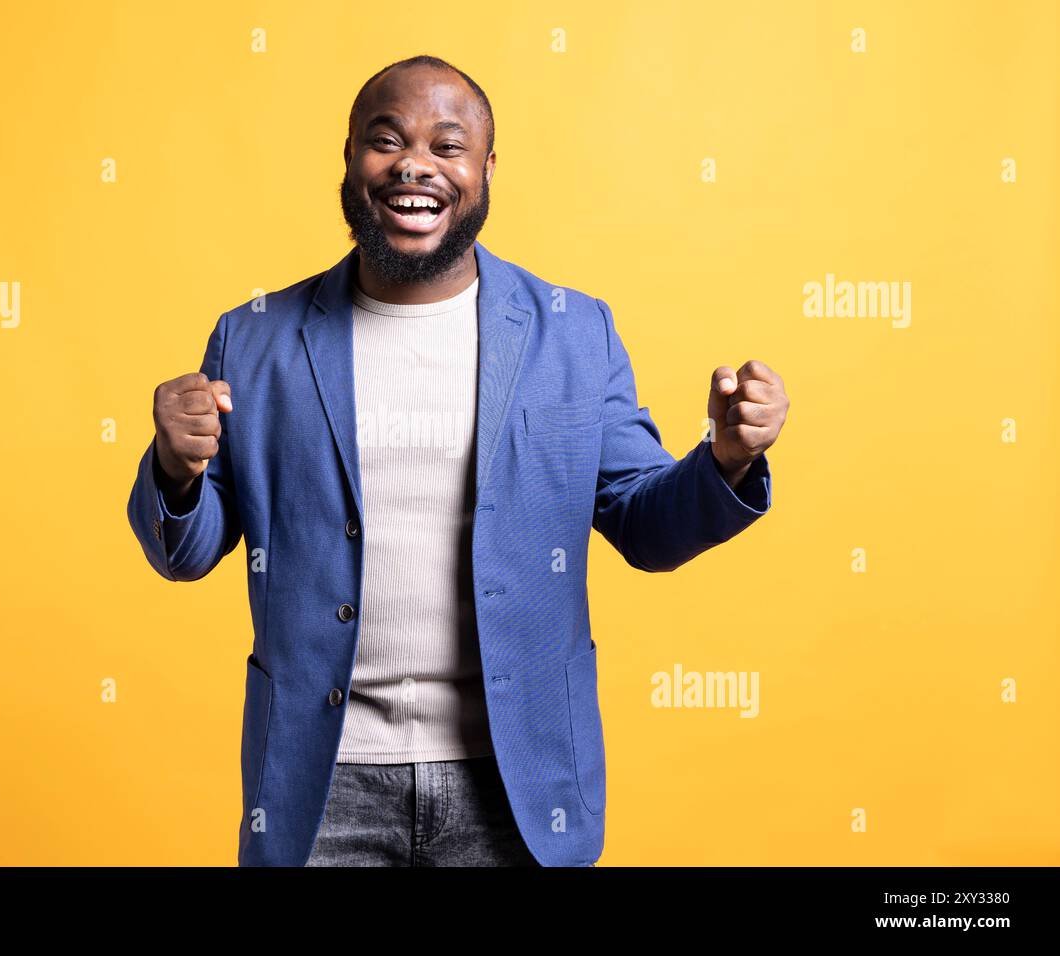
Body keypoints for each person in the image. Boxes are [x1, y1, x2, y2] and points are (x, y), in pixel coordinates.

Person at [126, 55, 789, 867]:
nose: (414, 165)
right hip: (320, 785)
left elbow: (645, 527)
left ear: (485, 170)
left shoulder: (573, 333)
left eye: (448, 145)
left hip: (516, 786)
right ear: (349, 160)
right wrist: (174, 469)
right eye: (386, 140)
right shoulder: (255, 337)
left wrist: (723, 458)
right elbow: (184, 555)